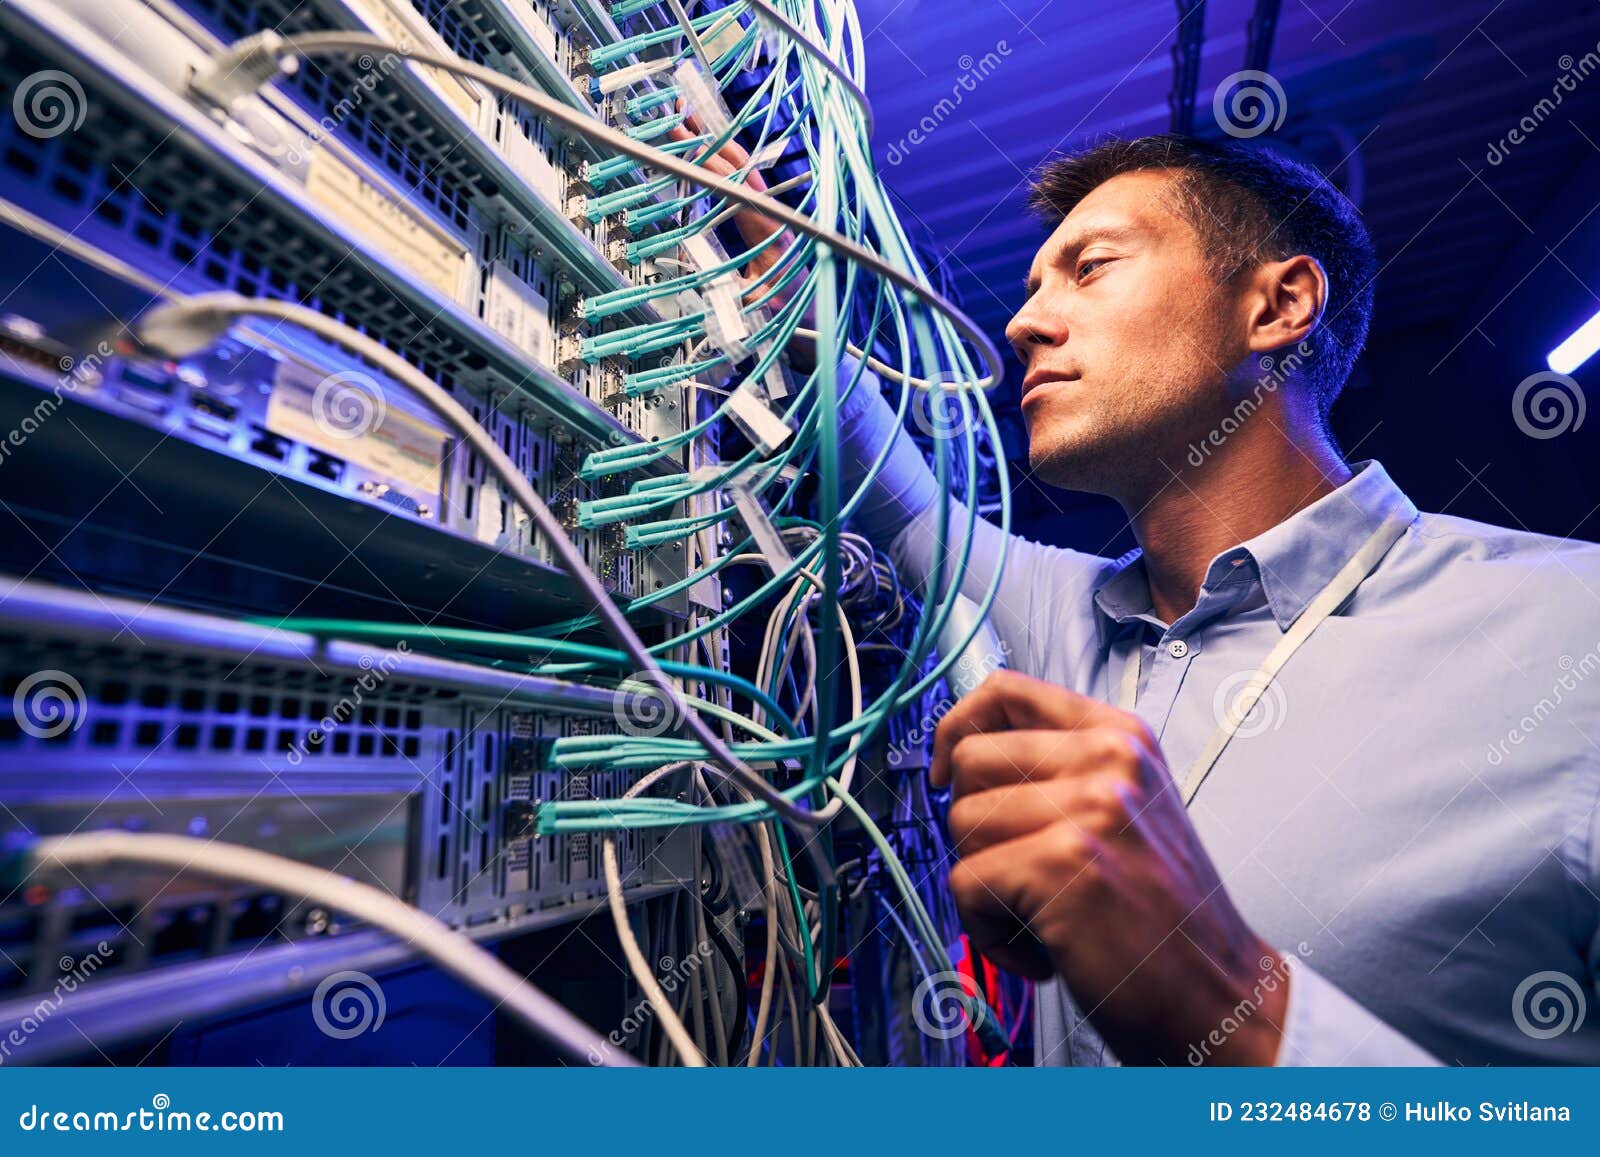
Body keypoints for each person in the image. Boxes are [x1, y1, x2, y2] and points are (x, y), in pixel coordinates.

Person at [726, 131, 1600, 1065]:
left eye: (1089, 267)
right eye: (1029, 290)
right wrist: (765, 252)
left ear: (1279, 304)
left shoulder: (1569, 630)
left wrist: (1232, 1007)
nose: (1025, 323)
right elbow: (891, 488)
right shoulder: (1069, 619)